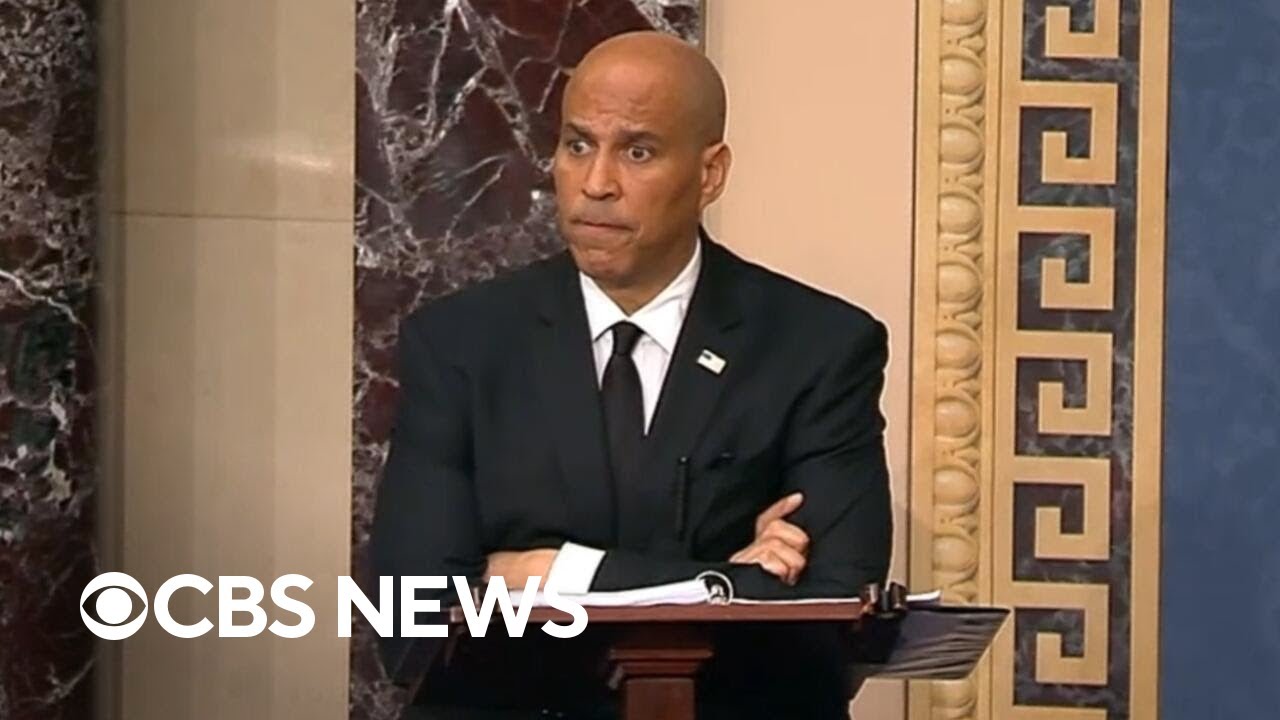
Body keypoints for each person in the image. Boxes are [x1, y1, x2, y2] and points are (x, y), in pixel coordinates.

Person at [372, 31, 892, 720]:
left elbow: (835, 615)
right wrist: (724, 582)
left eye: (638, 152)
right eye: (578, 145)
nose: (596, 183)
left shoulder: (819, 348)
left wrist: (543, 573)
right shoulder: (461, 344)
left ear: (710, 174)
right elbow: (408, 619)